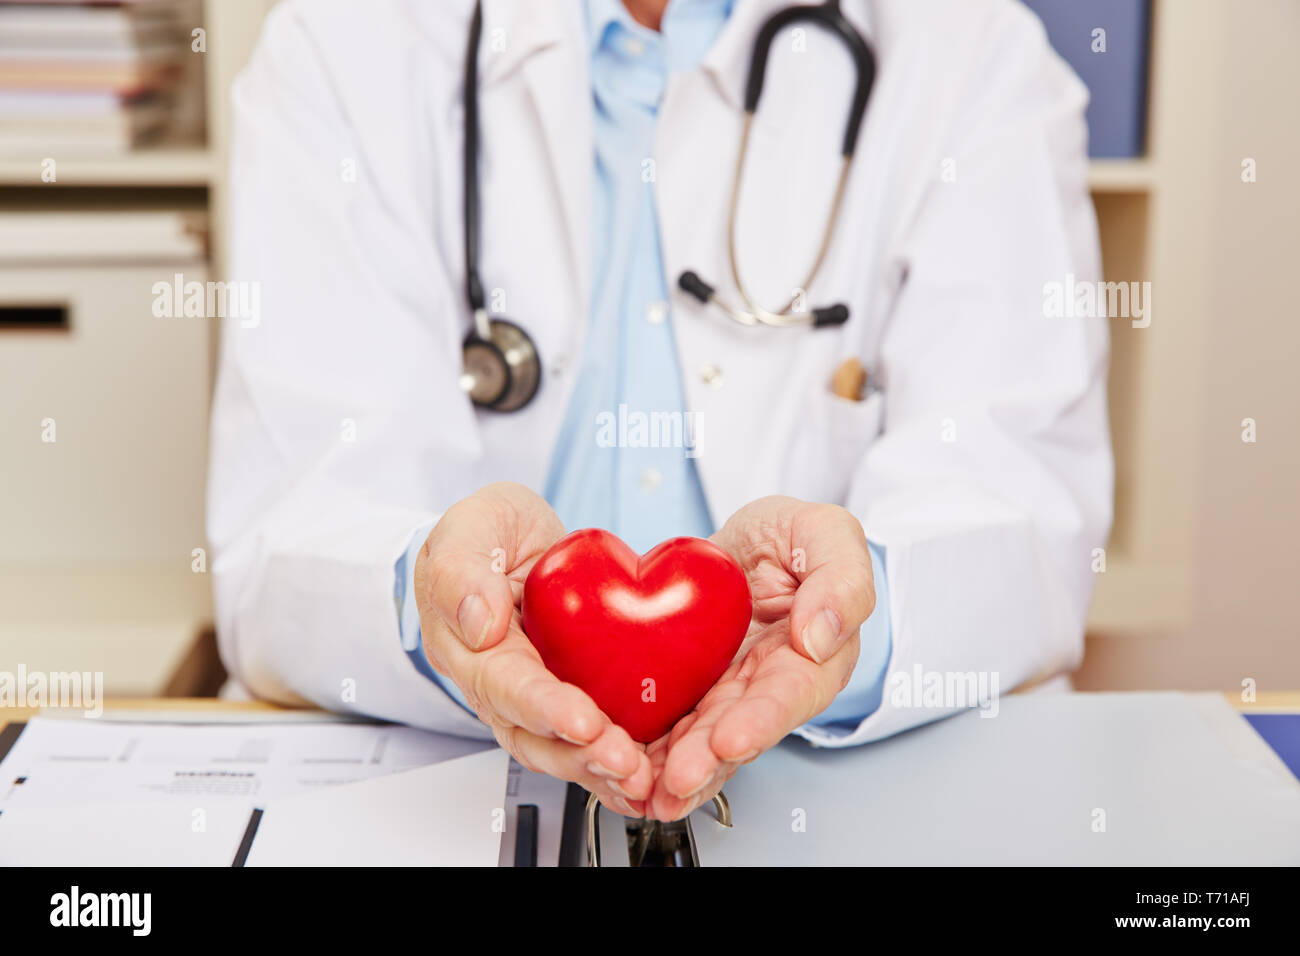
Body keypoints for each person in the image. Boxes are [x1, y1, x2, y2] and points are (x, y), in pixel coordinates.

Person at [208, 0, 1111, 822]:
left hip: (837, 791)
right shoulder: (346, 39)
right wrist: (435, 603)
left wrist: (837, 619)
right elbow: (287, 528)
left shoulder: (970, 50)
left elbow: (1022, 507)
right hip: (441, 787)